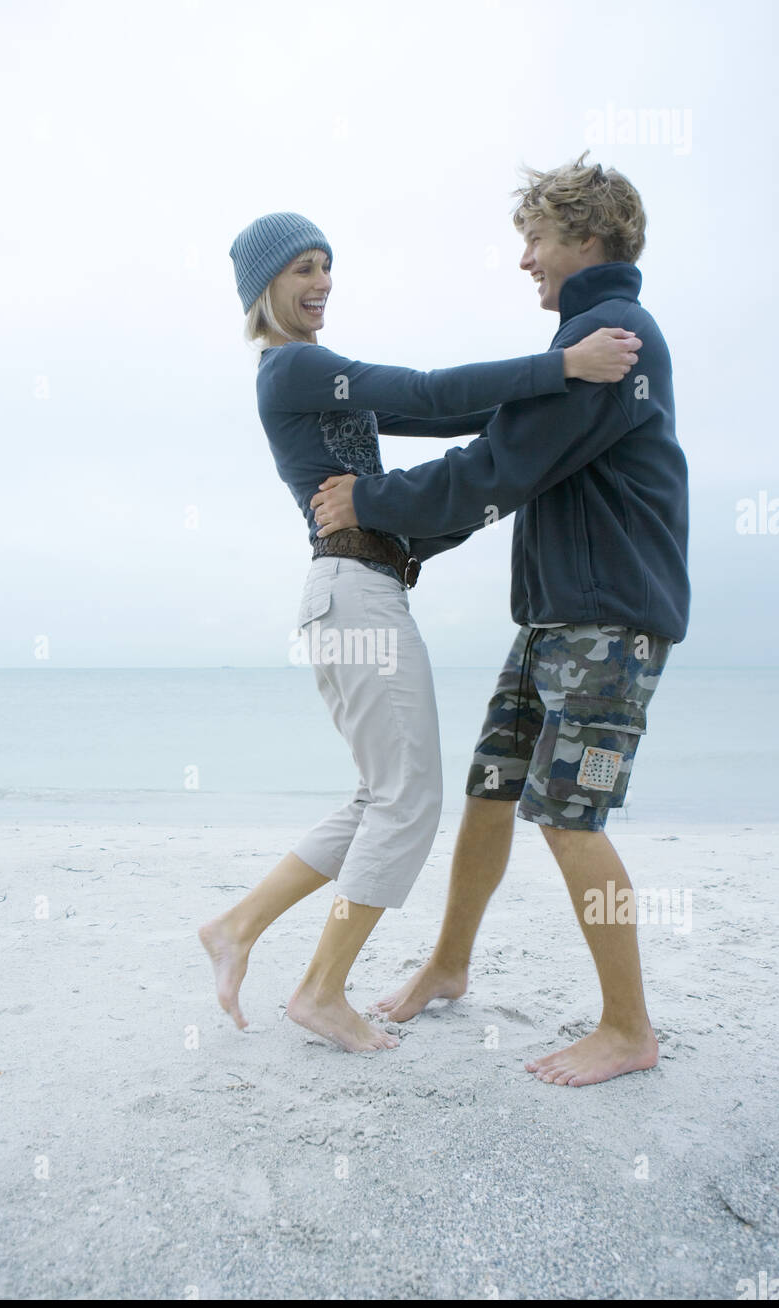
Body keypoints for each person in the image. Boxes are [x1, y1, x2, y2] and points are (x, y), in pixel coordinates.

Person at [199, 210, 641, 1053]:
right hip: (353, 595)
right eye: (300, 269)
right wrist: (565, 363)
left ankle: (236, 925)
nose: (321, 281)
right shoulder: (294, 369)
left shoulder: (313, 374)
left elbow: (444, 421)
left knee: (379, 797)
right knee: (407, 802)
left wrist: (542, 405)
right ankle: (322, 992)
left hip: (359, 593)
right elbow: (427, 390)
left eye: (327, 263)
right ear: (263, 289)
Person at [311, 154, 690, 1085]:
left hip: (607, 626)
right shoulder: (583, 339)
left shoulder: (616, 335)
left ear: (585, 234)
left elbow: (496, 469)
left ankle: (628, 1028)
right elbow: (490, 436)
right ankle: (447, 962)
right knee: (491, 793)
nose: (524, 257)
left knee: (568, 816)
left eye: (536, 237)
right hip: (557, 621)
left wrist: (369, 499)